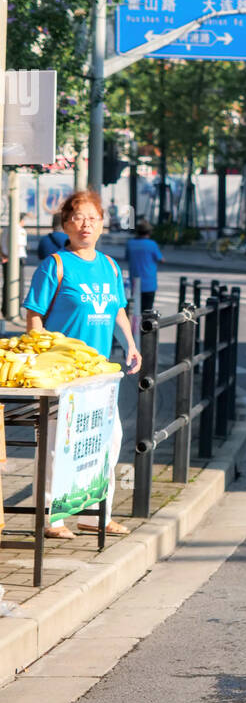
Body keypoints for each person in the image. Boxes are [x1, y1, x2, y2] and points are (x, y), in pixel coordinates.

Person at [23, 190, 142, 540]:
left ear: (103, 224)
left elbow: (117, 309)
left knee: (107, 439)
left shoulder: (108, 266)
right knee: (59, 444)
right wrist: (40, 357)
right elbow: (34, 316)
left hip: (100, 372)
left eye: (92, 218)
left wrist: (131, 344)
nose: (85, 224)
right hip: (62, 372)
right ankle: (51, 517)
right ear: (65, 225)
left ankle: (95, 514)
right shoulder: (55, 265)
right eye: (77, 218)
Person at [126, 218, 163, 313]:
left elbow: (127, 257)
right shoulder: (152, 244)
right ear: (149, 232)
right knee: (147, 311)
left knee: (135, 311)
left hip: (134, 283)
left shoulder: (130, 243)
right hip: (149, 284)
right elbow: (160, 259)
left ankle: (135, 327)